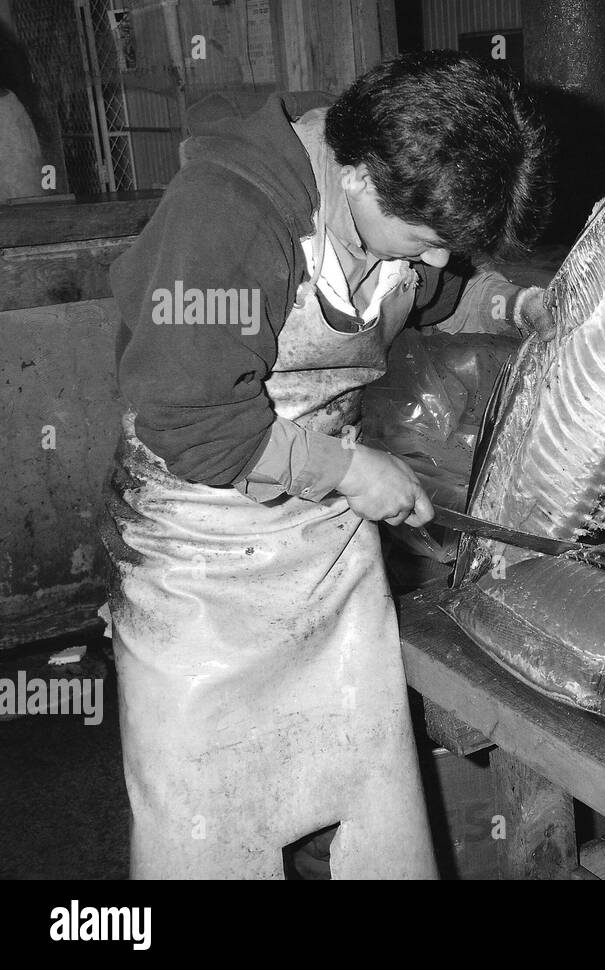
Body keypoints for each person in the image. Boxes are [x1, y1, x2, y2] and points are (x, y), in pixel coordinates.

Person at [102, 51, 553, 879]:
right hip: (197, 550)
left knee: (358, 783)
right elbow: (192, 419)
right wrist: (351, 471)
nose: (439, 262)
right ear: (357, 179)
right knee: (206, 814)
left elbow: (443, 295)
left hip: (323, 547)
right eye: (427, 240)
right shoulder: (227, 218)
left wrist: (522, 304)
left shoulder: (398, 210)